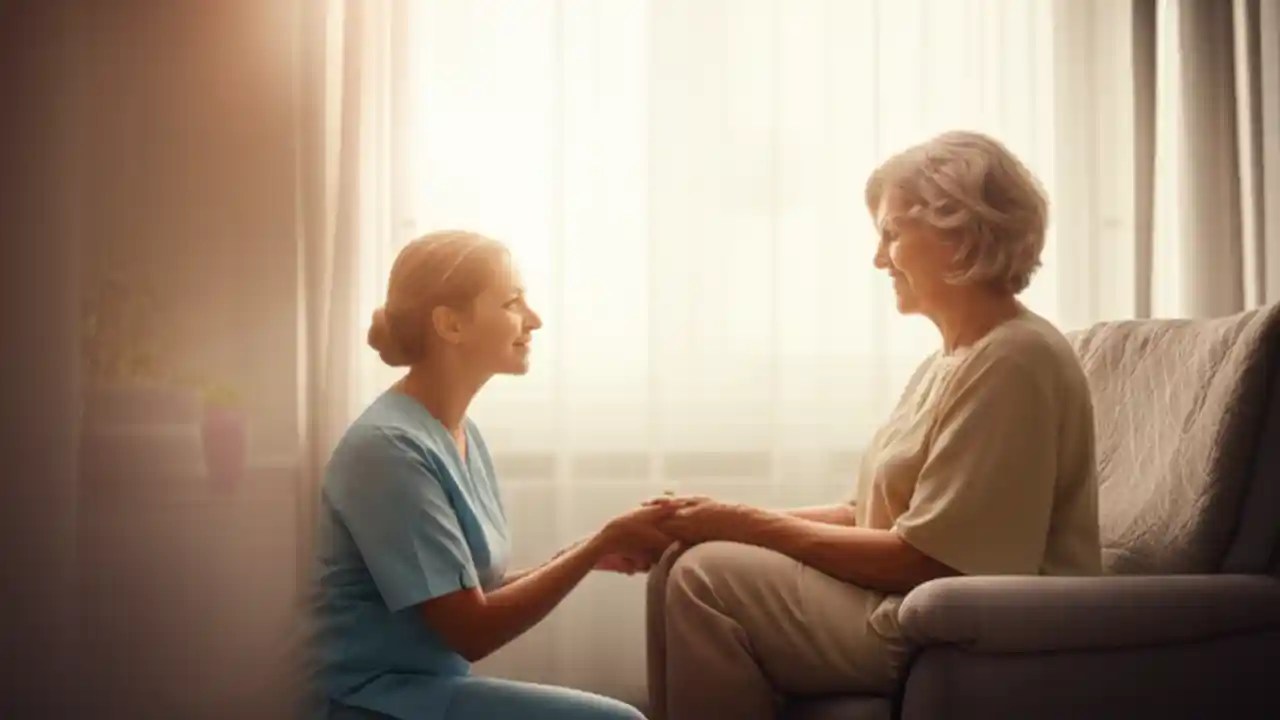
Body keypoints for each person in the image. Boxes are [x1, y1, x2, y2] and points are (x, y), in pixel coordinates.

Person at [643, 130, 1104, 720]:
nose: (879, 258)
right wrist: (710, 518)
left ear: (961, 231)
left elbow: (932, 558)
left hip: (953, 621)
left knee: (706, 577)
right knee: (682, 557)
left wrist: (740, 525)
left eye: (891, 233)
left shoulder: (1014, 360)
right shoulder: (949, 361)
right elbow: (863, 515)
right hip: (904, 600)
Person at [310, 230, 671, 720]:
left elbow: (465, 595)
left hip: (426, 691)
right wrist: (595, 546)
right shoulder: (389, 451)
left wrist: (592, 553)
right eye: (512, 302)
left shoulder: (459, 433)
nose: (535, 320)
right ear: (450, 325)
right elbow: (471, 630)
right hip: (374, 702)